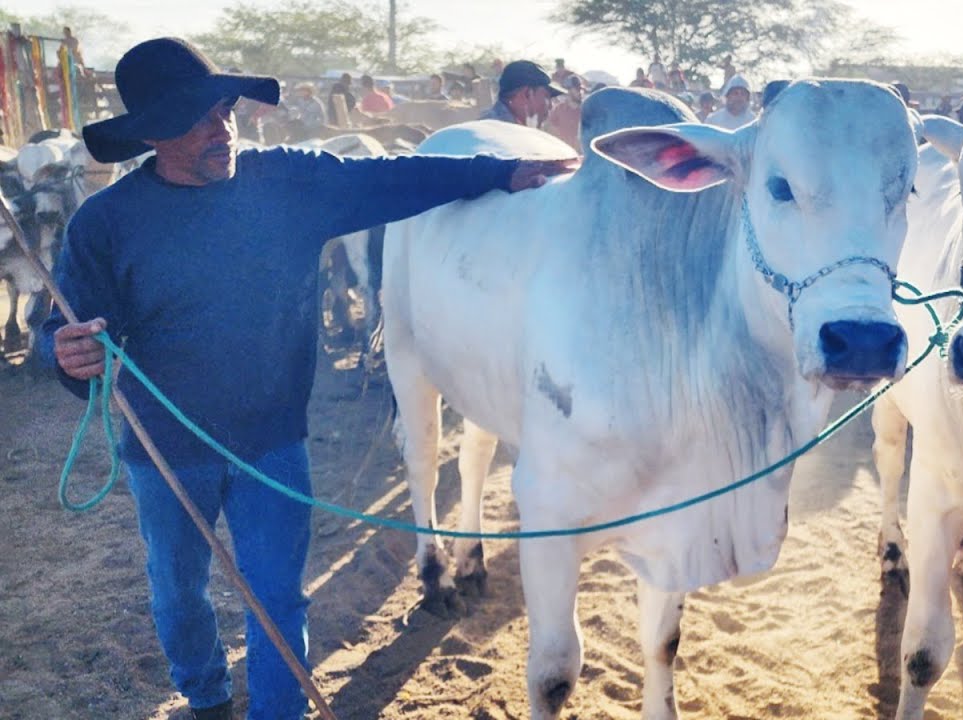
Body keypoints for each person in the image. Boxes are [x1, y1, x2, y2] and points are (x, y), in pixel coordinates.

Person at [37, 37, 573, 720]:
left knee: (278, 597)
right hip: (167, 449)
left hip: (271, 444)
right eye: (197, 120)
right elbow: (62, 331)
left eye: (224, 111)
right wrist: (64, 352)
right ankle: (205, 696)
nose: (220, 130)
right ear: (151, 135)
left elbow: (396, 179)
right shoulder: (104, 225)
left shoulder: (287, 184)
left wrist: (499, 172)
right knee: (177, 591)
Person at [482, 59, 565, 126]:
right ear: (527, 94)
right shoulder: (500, 132)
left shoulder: (495, 124)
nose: (551, 106)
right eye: (546, 96)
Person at [545, 74, 584, 152]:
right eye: (577, 89)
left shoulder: (587, 110)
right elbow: (548, 130)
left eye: (581, 89)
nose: (580, 92)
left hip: (581, 155)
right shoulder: (558, 110)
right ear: (568, 91)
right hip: (563, 153)